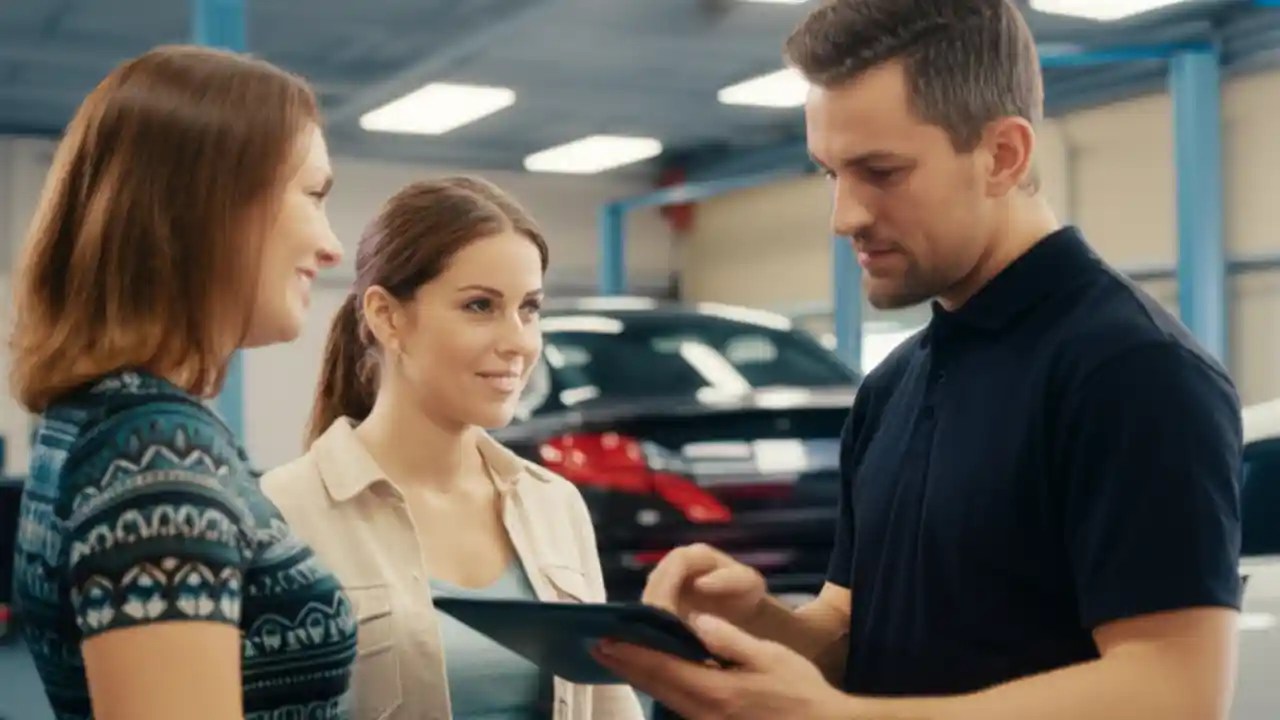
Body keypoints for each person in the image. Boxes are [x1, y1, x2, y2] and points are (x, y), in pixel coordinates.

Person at [593, 2, 1244, 719]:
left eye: (881, 171)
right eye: (829, 173)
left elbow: (1173, 691)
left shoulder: (1133, 371)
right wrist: (755, 619)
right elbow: (849, 636)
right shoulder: (892, 386)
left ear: (1002, 155)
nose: (844, 216)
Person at [8, 46, 353, 719]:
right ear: (210, 207)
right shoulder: (154, 451)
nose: (331, 245)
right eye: (313, 195)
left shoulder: (100, 419)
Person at [260, 177, 647, 720]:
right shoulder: (283, 513)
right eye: (480, 306)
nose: (518, 341)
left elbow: (609, 705)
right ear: (387, 316)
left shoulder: (554, 505)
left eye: (529, 308)